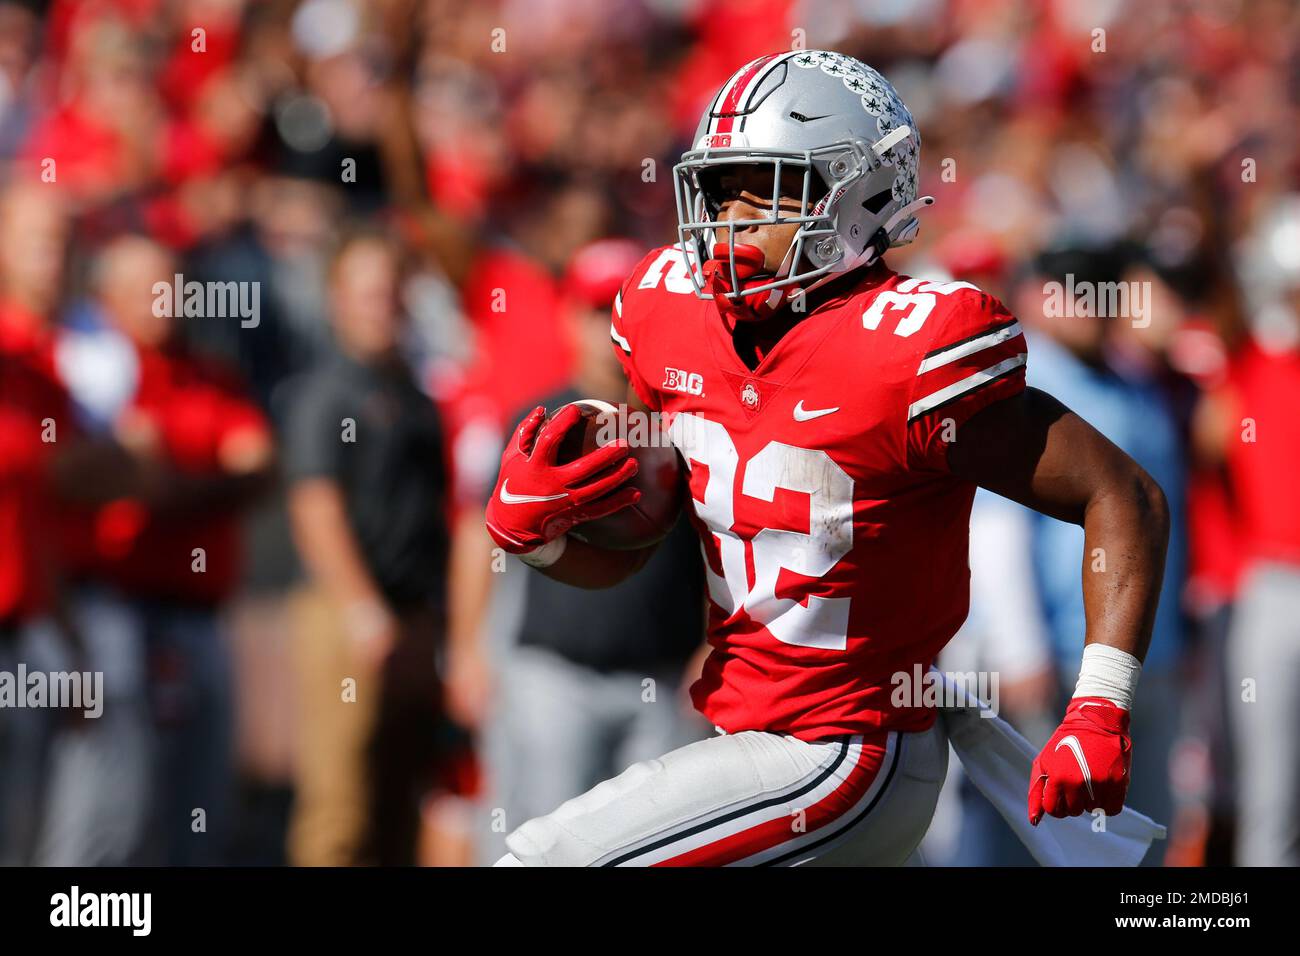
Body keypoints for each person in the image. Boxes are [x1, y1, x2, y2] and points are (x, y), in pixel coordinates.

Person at [483, 51, 1170, 866]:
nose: (727, 214)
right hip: (750, 736)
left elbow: (1122, 496)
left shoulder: (910, 350)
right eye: (718, 185)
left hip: (844, 753)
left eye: (764, 186)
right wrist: (546, 534)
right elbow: (643, 536)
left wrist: (1099, 705)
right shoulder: (669, 311)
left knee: (540, 860)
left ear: (860, 196)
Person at [445, 239, 709, 863]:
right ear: (567, 317)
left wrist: (712, 642)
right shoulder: (538, 421)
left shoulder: (684, 420)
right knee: (541, 846)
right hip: (553, 674)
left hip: (662, 675)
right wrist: (465, 648)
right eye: (594, 310)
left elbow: (719, 542)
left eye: (619, 308)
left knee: (652, 851)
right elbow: (479, 536)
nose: (606, 328)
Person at [284, 226, 453, 866]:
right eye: (367, 292)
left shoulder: (414, 393)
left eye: (391, 292)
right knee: (338, 808)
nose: (382, 305)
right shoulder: (325, 391)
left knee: (398, 804)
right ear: (337, 300)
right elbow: (314, 505)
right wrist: (360, 608)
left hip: (410, 616)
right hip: (347, 616)